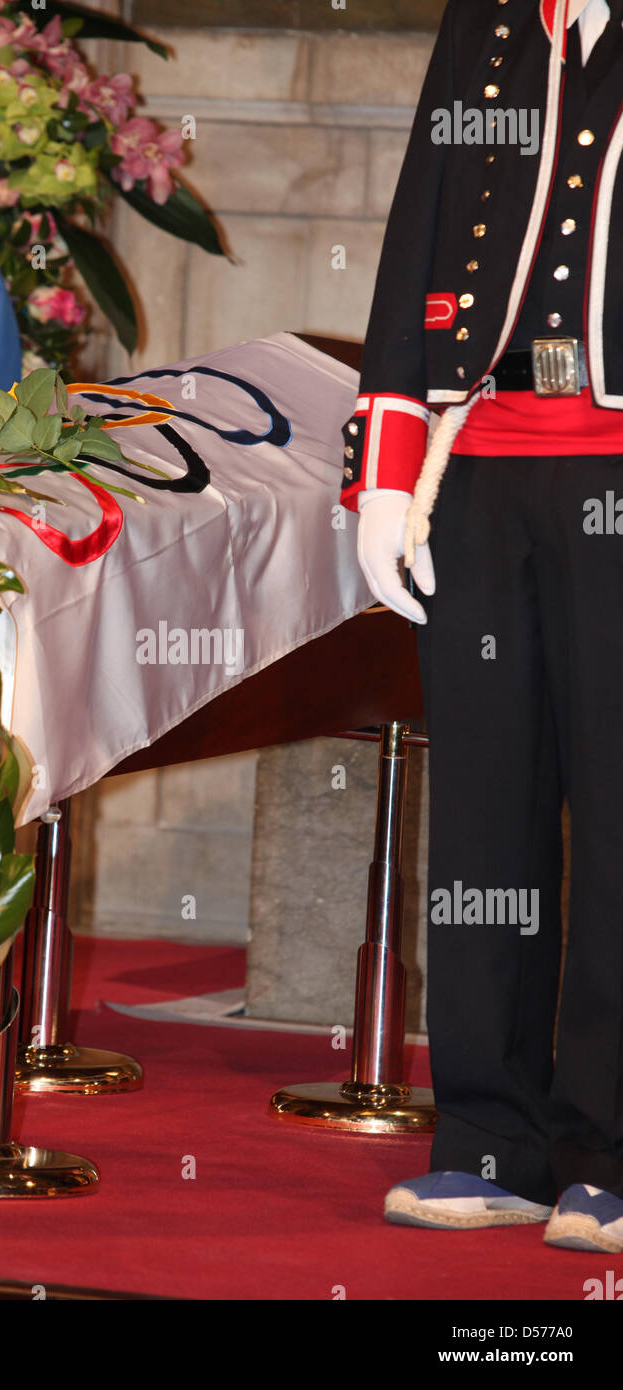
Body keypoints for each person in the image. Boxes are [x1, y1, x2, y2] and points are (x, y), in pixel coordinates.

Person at [341, 0, 623, 1252]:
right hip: (481, 459)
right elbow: (421, 220)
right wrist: (386, 469)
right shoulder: (493, 20)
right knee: (484, 822)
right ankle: (488, 1139)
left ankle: (608, 1148)